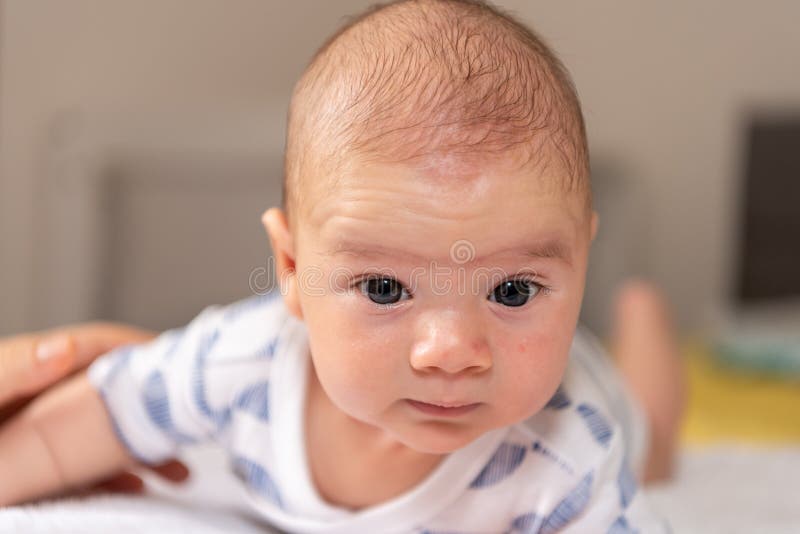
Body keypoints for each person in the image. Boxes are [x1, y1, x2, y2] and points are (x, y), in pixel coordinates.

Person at [0, 0, 685, 530]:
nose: (450, 352)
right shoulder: (238, 363)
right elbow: (85, 421)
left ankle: (641, 317)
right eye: (384, 288)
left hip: (602, 395)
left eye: (512, 290)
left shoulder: (567, 455)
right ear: (291, 268)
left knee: (651, 444)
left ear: (579, 264)